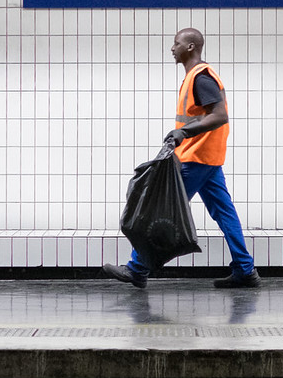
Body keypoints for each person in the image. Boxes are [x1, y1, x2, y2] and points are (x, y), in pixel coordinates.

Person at [104, 27, 262, 289]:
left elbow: (220, 115)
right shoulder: (194, 77)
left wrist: (182, 132)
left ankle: (137, 269)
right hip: (207, 159)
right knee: (225, 213)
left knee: (160, 209)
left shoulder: (201, 78)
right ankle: (245, 269)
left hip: (196, 157)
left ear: (190, 47)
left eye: (176, 43)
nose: (172, 48)